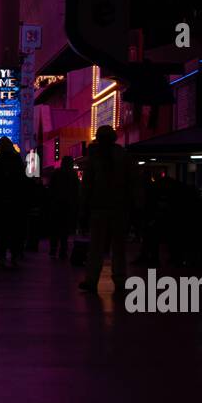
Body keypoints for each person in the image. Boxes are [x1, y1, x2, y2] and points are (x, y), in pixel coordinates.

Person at [78, 125, 133, 294]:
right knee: (118, 247)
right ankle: (120, 280)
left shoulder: (94, 157)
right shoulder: (122, 156)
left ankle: (92, 279)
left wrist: (83, 208)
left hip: (99, 207)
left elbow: (87, 185)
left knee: (96, 246)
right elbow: (131, 183)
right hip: (118, 207)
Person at [0, 136, 27, 267]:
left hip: (0, 202)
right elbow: (23, 182)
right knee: (15, 231)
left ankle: (2, 257)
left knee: (2, 231)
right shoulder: (17, 161)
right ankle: (14, 257)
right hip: (16, 202)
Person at [48, 156, 79, 260]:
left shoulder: (56, 173)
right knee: (64, 230)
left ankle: (53, 249)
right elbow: (77, 191)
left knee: (55, 229)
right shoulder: (73, 175)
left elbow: (51, 188)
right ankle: (63, 251)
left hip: (56, 205)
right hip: (68, 205)